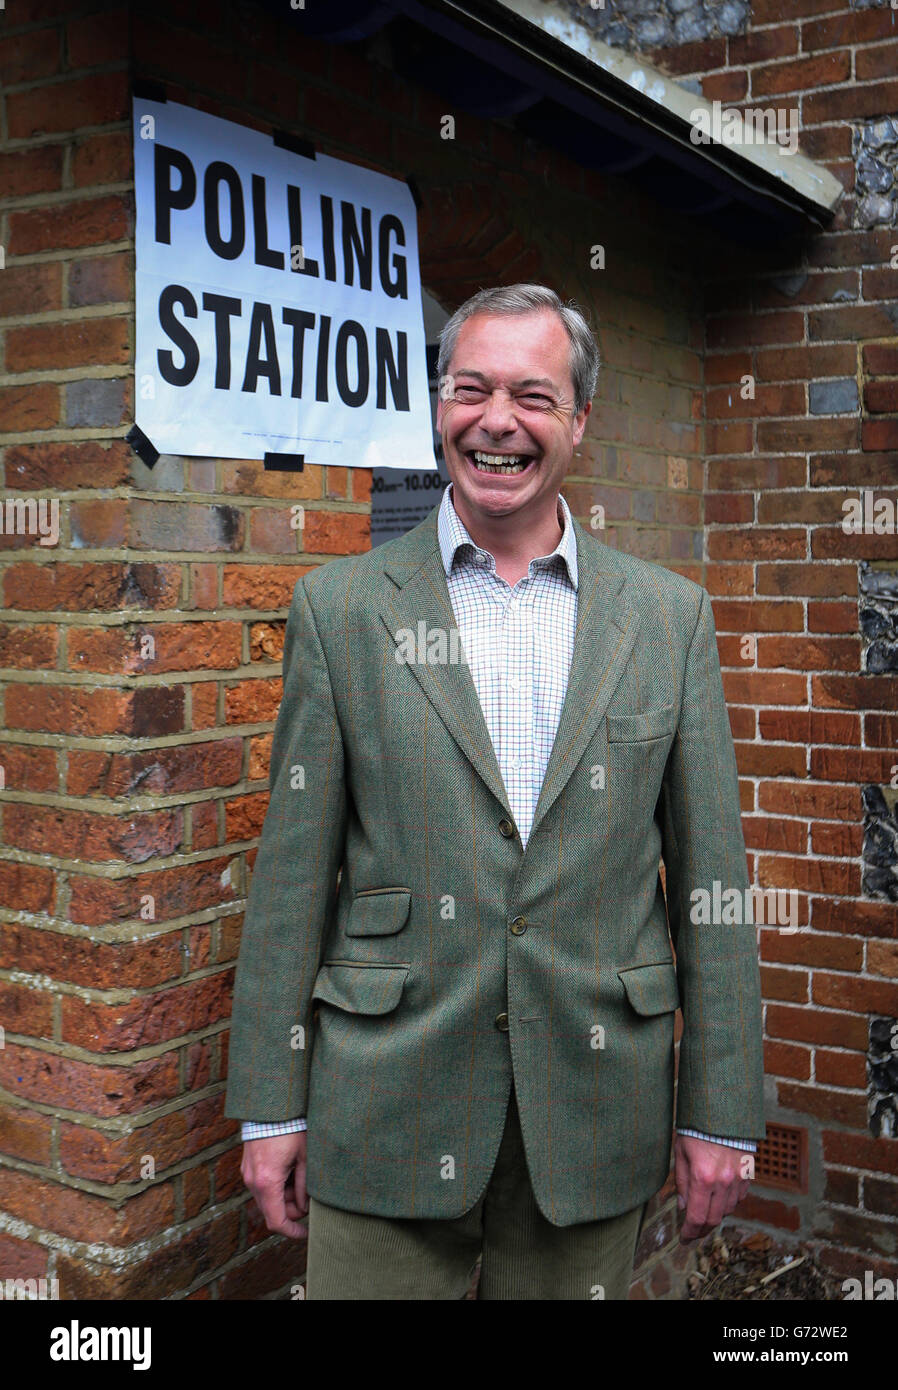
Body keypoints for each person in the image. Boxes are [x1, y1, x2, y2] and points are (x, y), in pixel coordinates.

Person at [223, 283, 765, 1300]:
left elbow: (713, 885)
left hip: (594, 1108)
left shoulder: (668, 618)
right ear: (439, 409)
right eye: (469, 390)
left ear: (578, 422)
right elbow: (292, 876)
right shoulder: (340, 611)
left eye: (531, 393)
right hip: (385, 1105)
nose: (497, 420)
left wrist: (718, 1111)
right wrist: (269, 1107)